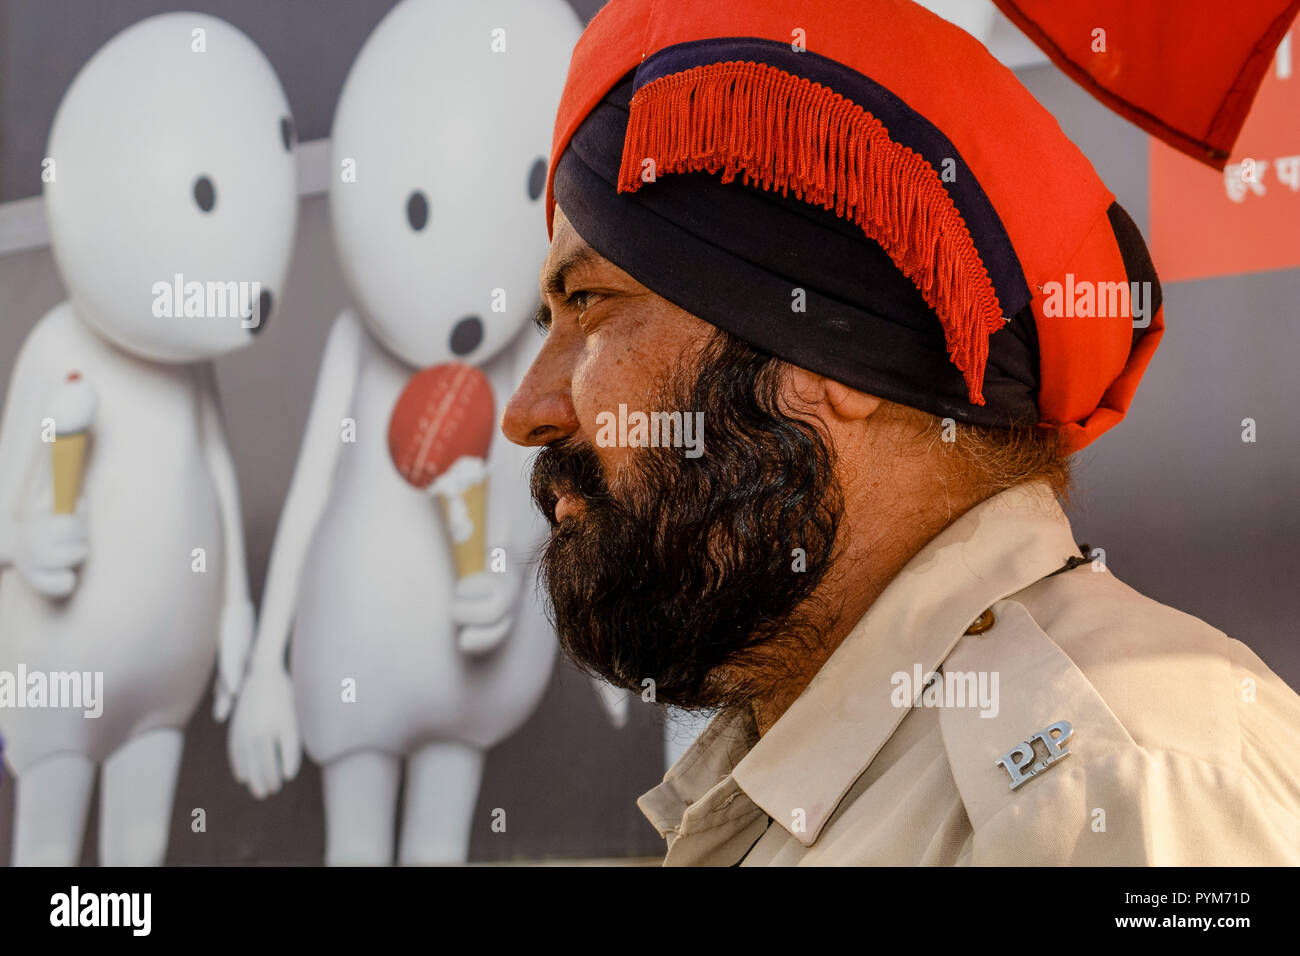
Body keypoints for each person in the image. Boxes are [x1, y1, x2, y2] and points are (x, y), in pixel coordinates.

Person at [501, 0, 1300, 864]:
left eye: (589, 303)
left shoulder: (1115, 781)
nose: (526, 412)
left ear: (825, 362)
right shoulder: (807, 780)